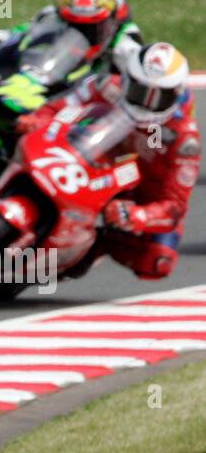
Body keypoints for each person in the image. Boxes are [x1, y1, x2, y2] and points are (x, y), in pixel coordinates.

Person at [18, 42, 199, 280]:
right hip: (87, 155)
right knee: (18, 130)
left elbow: (174, 207)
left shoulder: (183, 138)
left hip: (136, 193)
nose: (147, 103)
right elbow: (62, 105)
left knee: (157, 261)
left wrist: (137, 216)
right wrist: (38, 119)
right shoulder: (105, 86)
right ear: (126, 79)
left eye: (159, 96)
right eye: (140, 90)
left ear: (175, 94)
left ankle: (88, 249)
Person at [0, 0, 143, 81]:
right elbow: (12, 37)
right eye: (74, 25)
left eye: (91, 26)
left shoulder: (125, 43)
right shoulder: (51, 18)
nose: (81, 34)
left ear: (110, 21)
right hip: (53, 91)